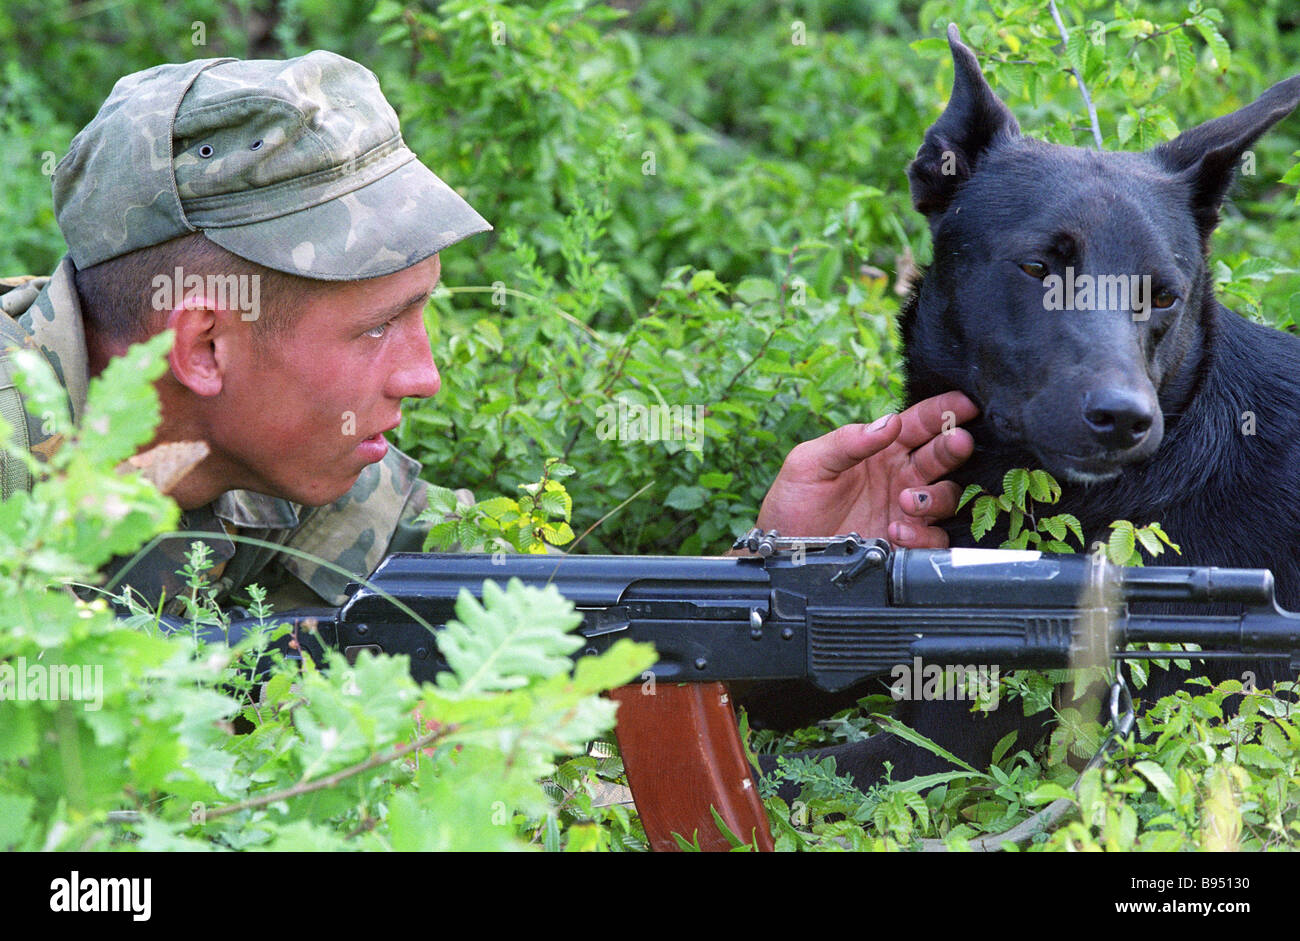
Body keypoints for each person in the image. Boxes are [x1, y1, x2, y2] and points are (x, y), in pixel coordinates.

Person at [0, 49, 977, 620]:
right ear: (207, 346)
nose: (422, 376)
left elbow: (531, 625)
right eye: (379, 327)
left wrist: (771, 573)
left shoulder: (303, 462)